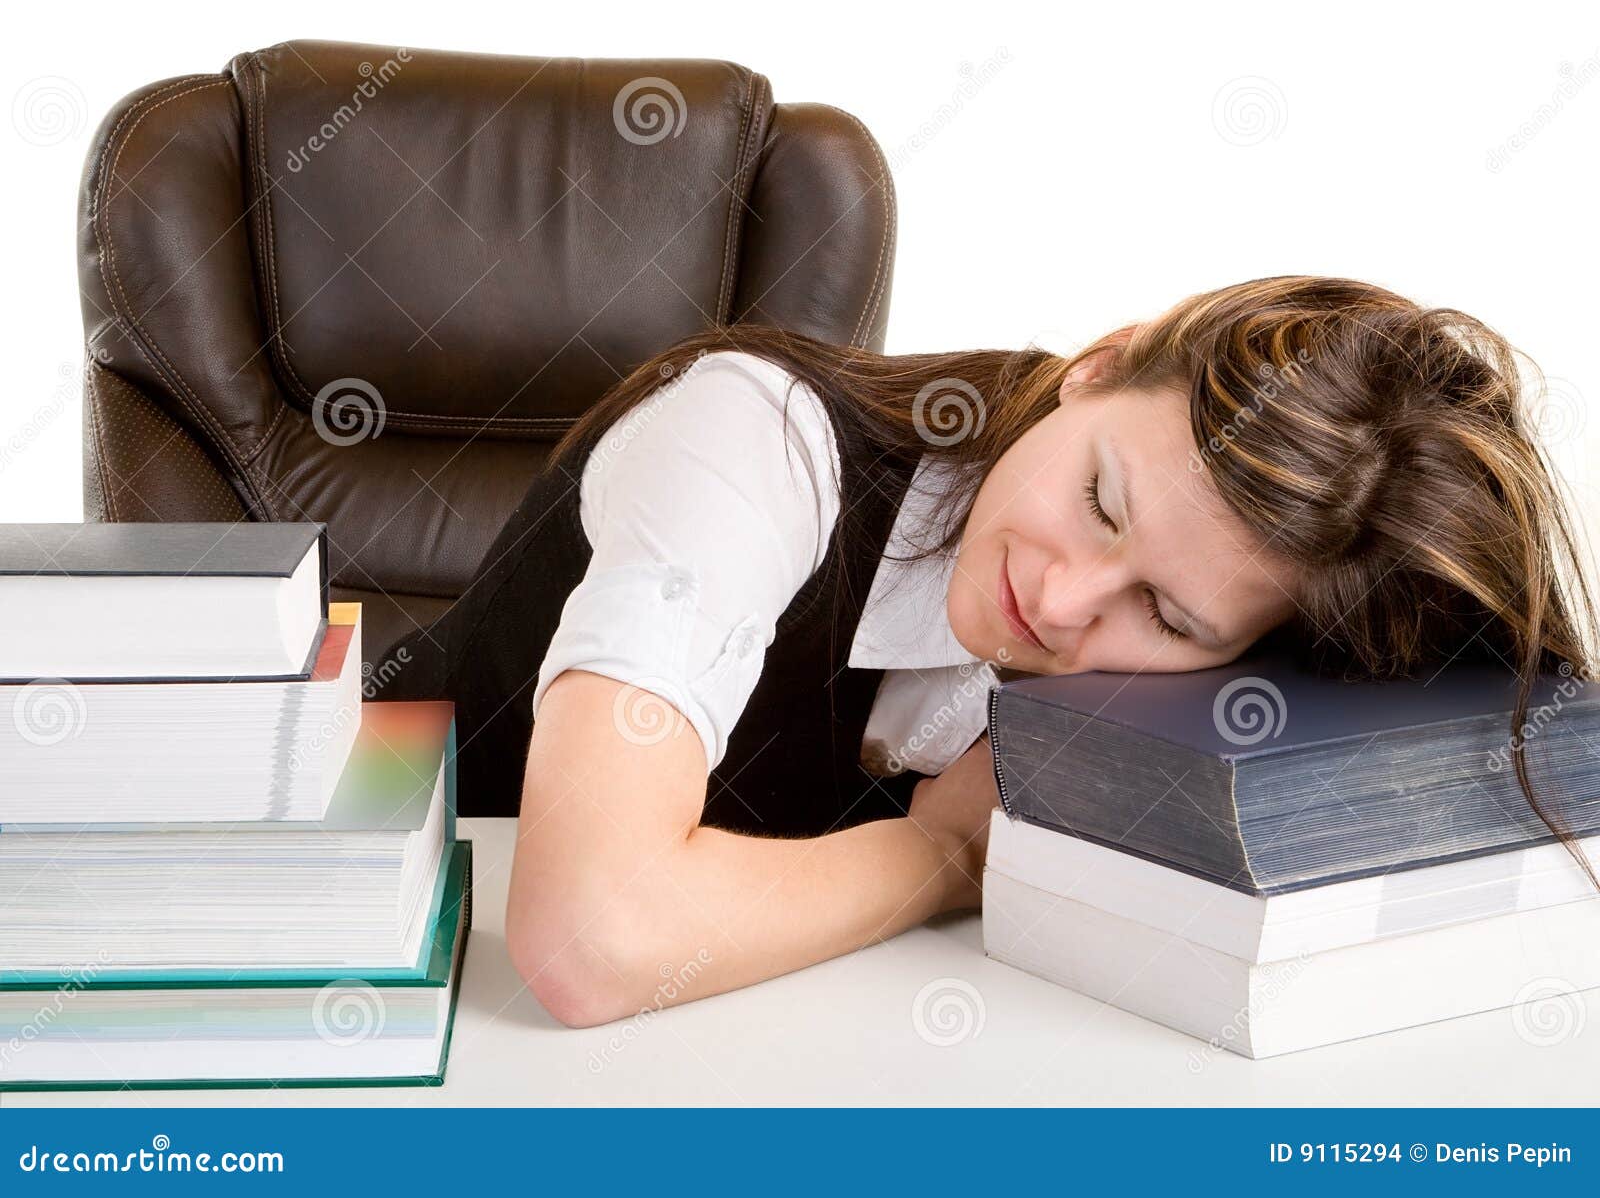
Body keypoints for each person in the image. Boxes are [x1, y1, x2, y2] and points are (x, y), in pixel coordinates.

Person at [373, 275, 1596, 1027]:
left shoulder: (1212, 676)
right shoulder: (754, 436)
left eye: (1166, 617)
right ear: (1102, 363)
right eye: (1102, 501)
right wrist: (938, 853)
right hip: (378, 945)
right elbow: (592, 945)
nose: (1062, 603)